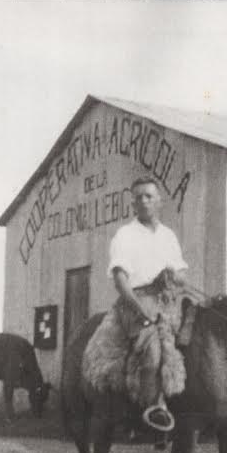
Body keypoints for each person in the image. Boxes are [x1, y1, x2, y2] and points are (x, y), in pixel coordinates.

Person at [82, 177, 187, 434]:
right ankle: (152, 411)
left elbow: (182, 275)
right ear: (133, 203)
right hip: (135, 300)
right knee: (152, 348)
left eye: (149, 196)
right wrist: (140, 309)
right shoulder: (125, 235)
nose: (143, 201)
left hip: (167, 298)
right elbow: (121, 281)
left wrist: (172, 275)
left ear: (159, 201)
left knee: (197, 338)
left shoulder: (168, 235)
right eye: (138, 197)